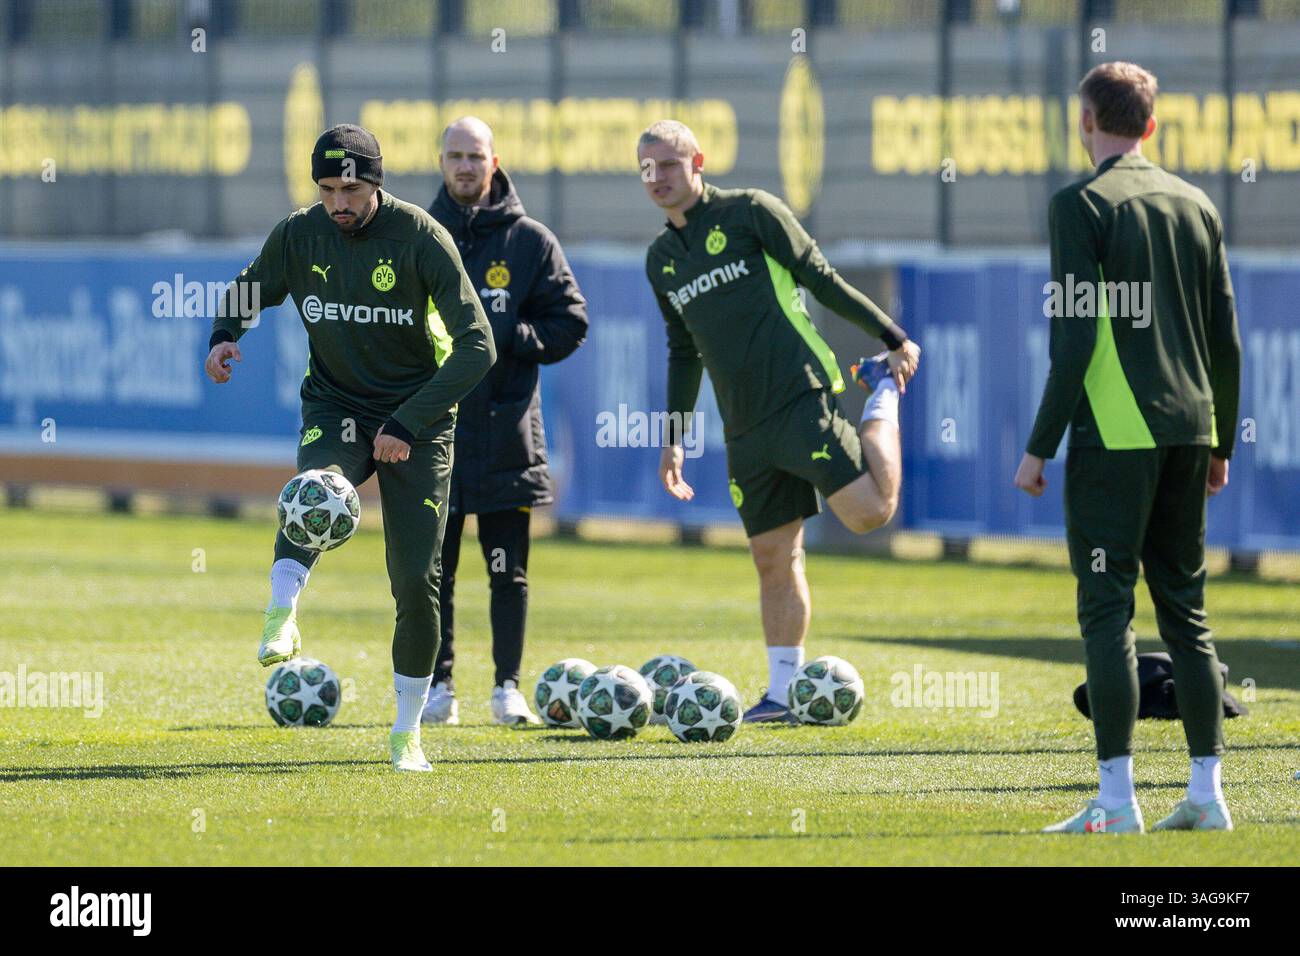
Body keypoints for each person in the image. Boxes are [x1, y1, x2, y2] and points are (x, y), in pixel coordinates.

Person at [203, 124, 495, 772]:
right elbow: (250, 288)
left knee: (417, 580)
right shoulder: (299, 234)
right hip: (335, 404)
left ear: (376, 183)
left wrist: (408, 423)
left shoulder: (421, 238)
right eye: (329, 188)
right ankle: (282, 611)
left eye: (352, 189)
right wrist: (225, 334)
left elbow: (480, 346)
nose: (339, 201)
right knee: (318, 492)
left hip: (417, 418)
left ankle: (406, 732)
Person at [1014, 62, 1242, 833]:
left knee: (1108, 613)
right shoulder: (1198, 203)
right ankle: (1207, 797)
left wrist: (1038, 447)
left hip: (1117, 434)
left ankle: (1115, 804)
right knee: (1189, 613)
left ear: (1087, 122)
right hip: (1189, 428)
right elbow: (1227, 340)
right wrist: (1220, 441)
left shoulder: (1079, 205)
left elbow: (1076, 337)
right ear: (1151, 124)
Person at [638, 120, 921, 723]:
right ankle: (782, 692)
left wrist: (892, 337)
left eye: (668, 164)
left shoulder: (751, 213)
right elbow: (682, 350)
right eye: (647, 169)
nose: (657, 178)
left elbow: (821, 277)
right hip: (743, 427)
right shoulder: (661, 259)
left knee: (870, 511)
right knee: (773, 556)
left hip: (799, 396)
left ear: (698, 163)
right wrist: (674, 439)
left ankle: (881, 394)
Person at [422, 116, 588, 728]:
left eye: (476, 156)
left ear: (496, 162)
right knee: (432, 571)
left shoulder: (530, 242)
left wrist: (508, 335)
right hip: (433, 436)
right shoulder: (418, 234)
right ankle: (436, 688)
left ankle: (506, 688)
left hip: (507, 434)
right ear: (441, 162)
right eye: (455, 155)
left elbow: (571, 323)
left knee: (506, 571)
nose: (465, 166)